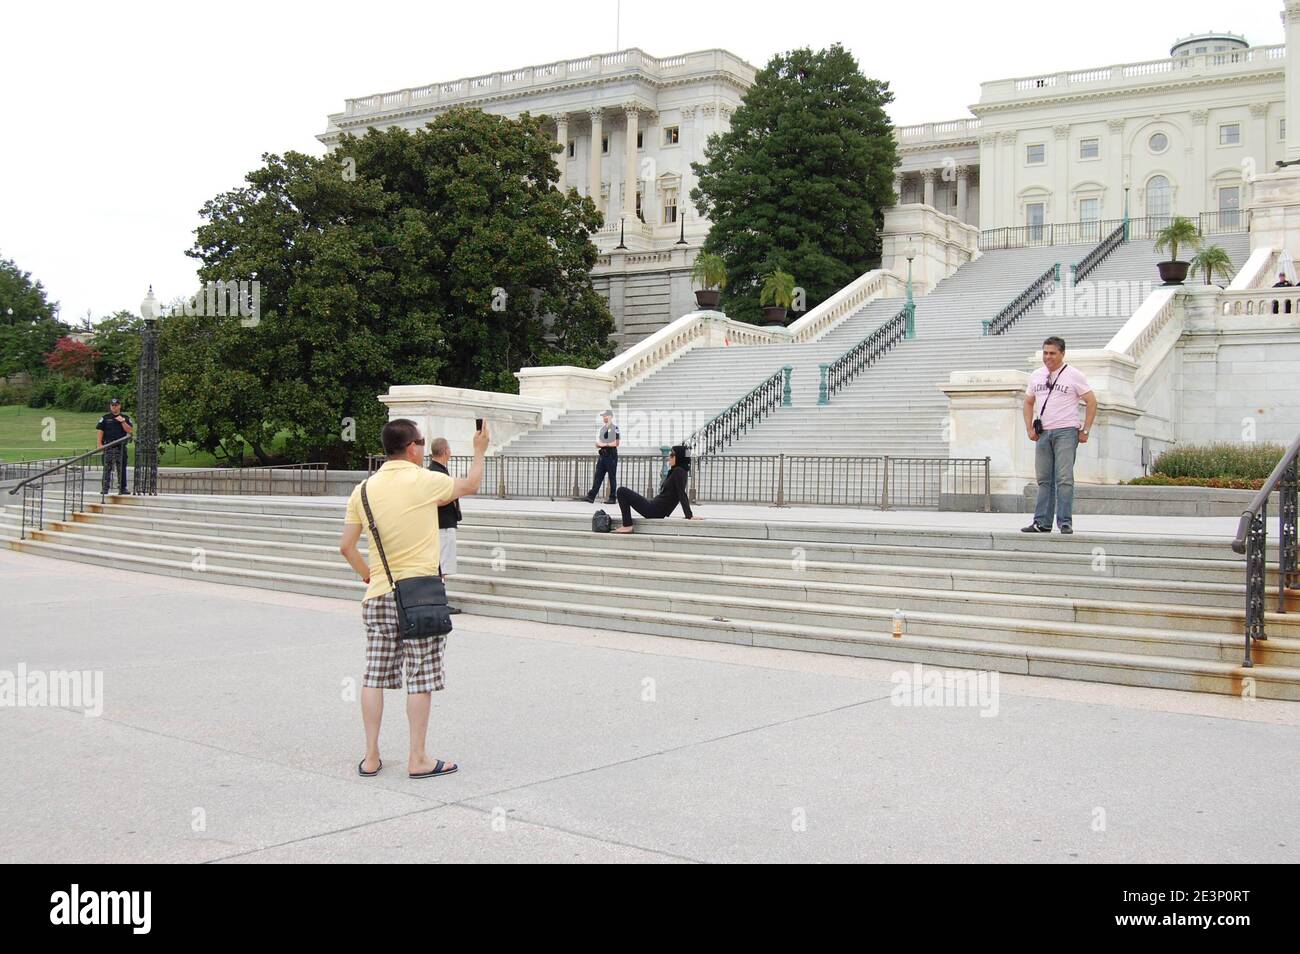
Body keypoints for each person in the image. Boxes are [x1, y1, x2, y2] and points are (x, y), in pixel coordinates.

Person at [338, 419, 488, 780]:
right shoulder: (423, 481)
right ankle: (417, 758)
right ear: (412, 448)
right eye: (421, 442)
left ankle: (371, 756)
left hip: (379, 595)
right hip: (419, 594)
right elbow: (470, 485)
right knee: (419, 678)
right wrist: (480, 450)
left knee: (374, 675)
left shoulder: (363, 490)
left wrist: (368, 574)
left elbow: (345, 546)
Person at [1022, 337, 1096, 535]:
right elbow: (1028, 401)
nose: (1048, 357)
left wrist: (1085, 430)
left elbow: (1091, 401)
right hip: (1043, 432)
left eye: (1053, 353)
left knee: (1064, 478)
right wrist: (1029, 427)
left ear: (1062, 354)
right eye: (1045, 353)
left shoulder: (1074, 375)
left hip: (1066, 431)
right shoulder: (1036, 375)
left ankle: (1064, 522)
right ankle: (1041, 522)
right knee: (1044, 479)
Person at [613, 444, 703, 533]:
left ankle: (627, 525)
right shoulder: (678, 471)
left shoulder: (678, 471)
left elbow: (681, 493)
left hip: (654, 510)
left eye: (672, 455)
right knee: (623, 492)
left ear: (679, 457)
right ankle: (627, 524)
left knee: (621, 491)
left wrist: (689, 515)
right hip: (654, 506)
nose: (669, 457)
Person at [427, 437, 463, 616]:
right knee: (441, 567)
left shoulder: (432, 471)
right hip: (443, 525)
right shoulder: (437, 473)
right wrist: (456, 490)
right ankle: (439, 603)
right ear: (446, 451)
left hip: (439, 524)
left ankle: (437, 602)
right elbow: (437, 500)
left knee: (438, 566)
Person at [96, 397, 133, 495]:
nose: (114, 407)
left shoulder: (125, 418)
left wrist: (122, 421)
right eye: (112, 406)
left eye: (116, 405)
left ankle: (122, 488)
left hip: (120, 447)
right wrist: (99, 444)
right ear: (110, 406)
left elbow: (129, 430)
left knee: (121, 468)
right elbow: (100, 430)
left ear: (119, 406)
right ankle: (105, 488)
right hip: (108, 446)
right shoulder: (105, 418)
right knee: (107, 468)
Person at [584, 410, 619, 505]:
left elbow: (616, 443)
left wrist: (604, 444)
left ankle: (612, 498)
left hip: (611, 456)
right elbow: (598, 443)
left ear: (611, 417)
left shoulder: (614, 428)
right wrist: (602, 444)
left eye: (606, 416)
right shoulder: (603, 429)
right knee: (598, 477)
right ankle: (591, 496)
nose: (604, 418)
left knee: (612, 478)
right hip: (602, 456)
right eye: (603, 416)